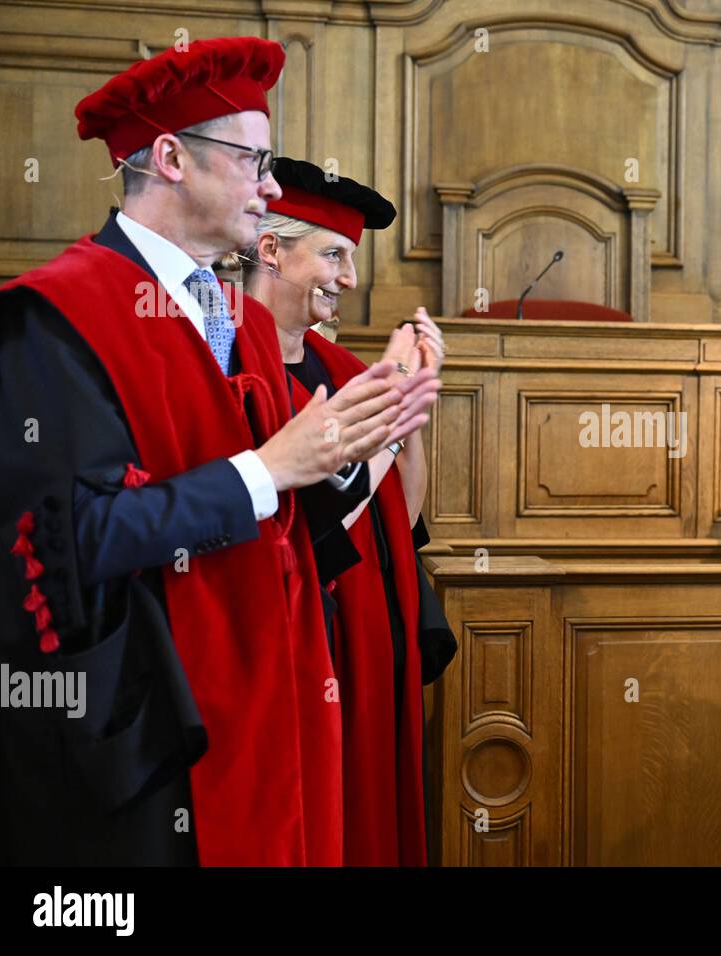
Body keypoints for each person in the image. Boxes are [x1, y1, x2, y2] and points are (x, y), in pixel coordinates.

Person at [0, 37, 431, 865]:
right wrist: (269, 468)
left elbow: (286, 535)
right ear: (169, 157)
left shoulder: (240, 321)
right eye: (253, 159)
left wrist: (365, 438)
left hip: (278, 720)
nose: (271, 184)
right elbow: (67, 547)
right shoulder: (53, 317)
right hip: (160, 740)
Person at [239, 157, 456, 865]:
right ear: (271, 250)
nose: (350, 279)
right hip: (284, 646)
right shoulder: (227, 363)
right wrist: (388, 412)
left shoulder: (341, 371)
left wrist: (410, 409)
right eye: (333, 255)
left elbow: (396, 523)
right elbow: (295, 524)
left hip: (362, 645)